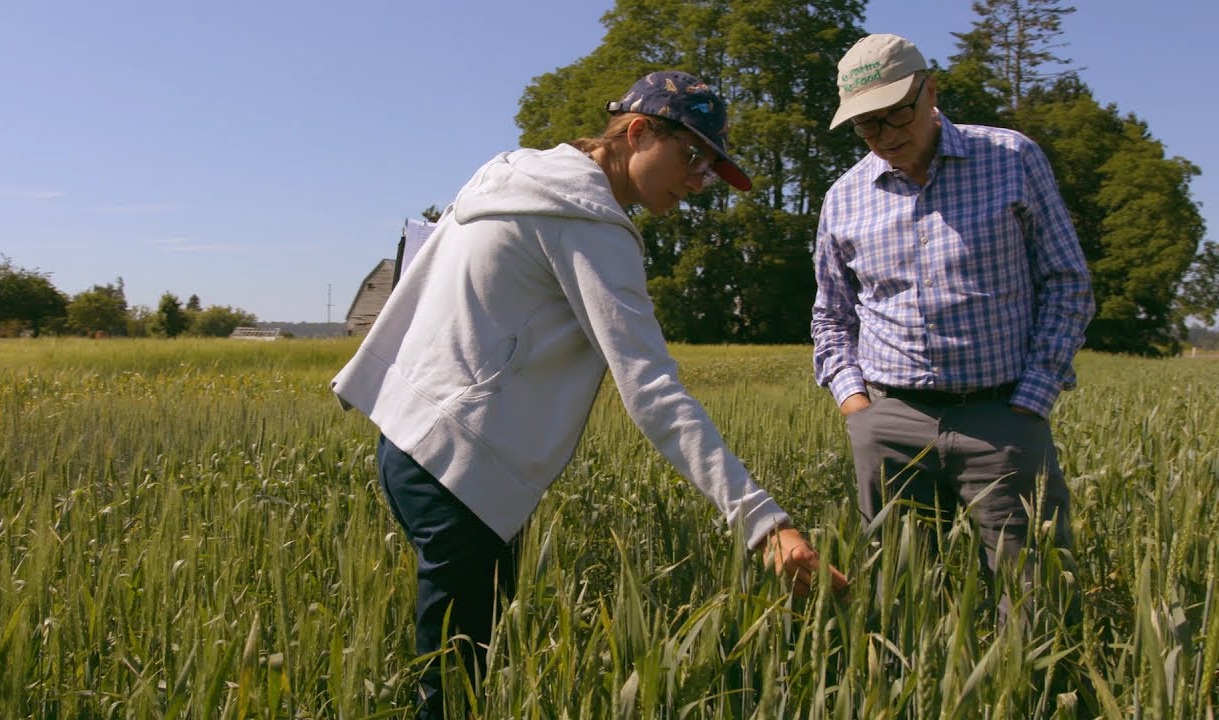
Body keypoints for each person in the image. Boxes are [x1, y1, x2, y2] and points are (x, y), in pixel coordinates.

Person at [333, 70, 849, 718]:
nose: (698, 179)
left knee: (461, 664)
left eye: (712, 167)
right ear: (637, 132)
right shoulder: (589, 223)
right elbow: (653, 389)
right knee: (456, 686)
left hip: (409, 444)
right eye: (691, 155)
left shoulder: (510, 177)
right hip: (458, 468)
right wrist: (763, 522)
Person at [811, 34, 1094, 621]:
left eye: (897, 114)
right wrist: (858, 408)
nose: (886, 135)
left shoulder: (1011, 158)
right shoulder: (843, 198)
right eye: (867, 126)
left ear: (930, 90)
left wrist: (1032, 398)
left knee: (1037, 602)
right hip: (890, 425)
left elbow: (1067, 282)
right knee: (902, 602)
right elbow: (831, 315)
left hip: (1002, 421)